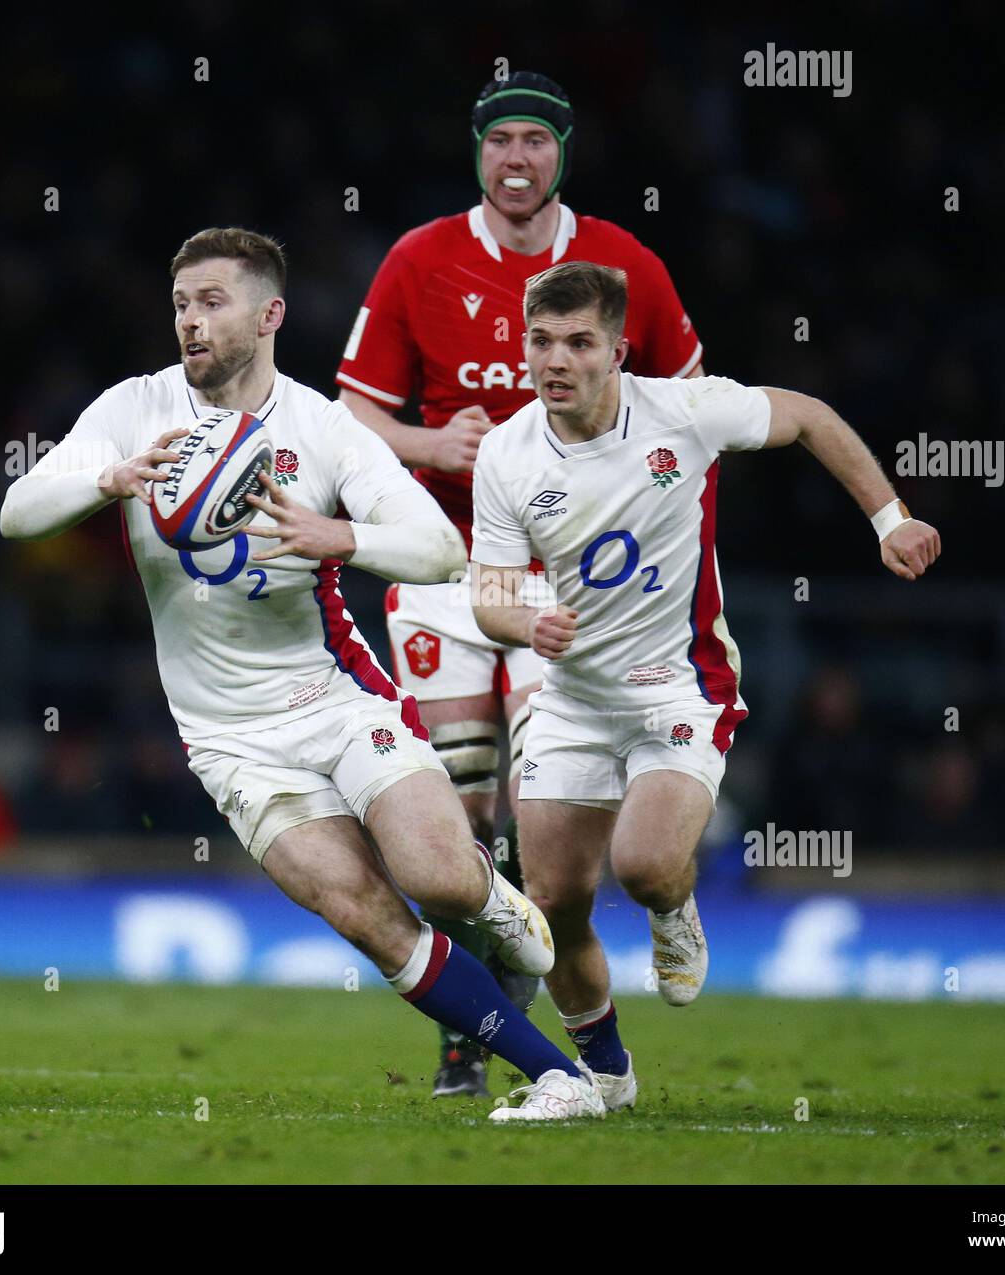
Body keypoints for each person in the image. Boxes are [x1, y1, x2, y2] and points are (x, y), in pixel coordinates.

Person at [0, 227, 607, 1123]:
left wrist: (343, 537)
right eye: (180, 304)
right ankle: (559, 1077)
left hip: (338, 698)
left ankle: (497, 910)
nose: (190, 322)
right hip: (230, 740)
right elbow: (18, 512)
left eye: (212, 302)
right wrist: (110, 478)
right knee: (366, 912)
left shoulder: (322, 426)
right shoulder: (132, 411)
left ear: (269, 314)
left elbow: (441, 548)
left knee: (438, 878)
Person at [470, 260, 941, 1111]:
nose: (556, 360)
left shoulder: (684, 413)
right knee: (554, 901)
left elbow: (809, 417)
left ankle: (673, 903)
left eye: (580, 342)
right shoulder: (505, 454)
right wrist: (524, 622)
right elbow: (489, 592)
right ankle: (605, 1074)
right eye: (541, 340)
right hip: (570, 700)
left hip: (678, 689)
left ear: (618, 350)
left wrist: (891, 517)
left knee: (645, 865)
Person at [337, 70, 706, 1097]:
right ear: (477, 154)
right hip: (445, 571)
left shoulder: (626, 263)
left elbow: (689, 410)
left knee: (550, 843)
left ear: (562, 154)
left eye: (535, 142)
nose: (516, 159)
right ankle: (479, 1027)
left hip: (571, 588)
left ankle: (572, 1032)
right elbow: (350, 410)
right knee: (454, 823)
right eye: (499, 140)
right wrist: (422, 438)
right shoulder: (419, 259)